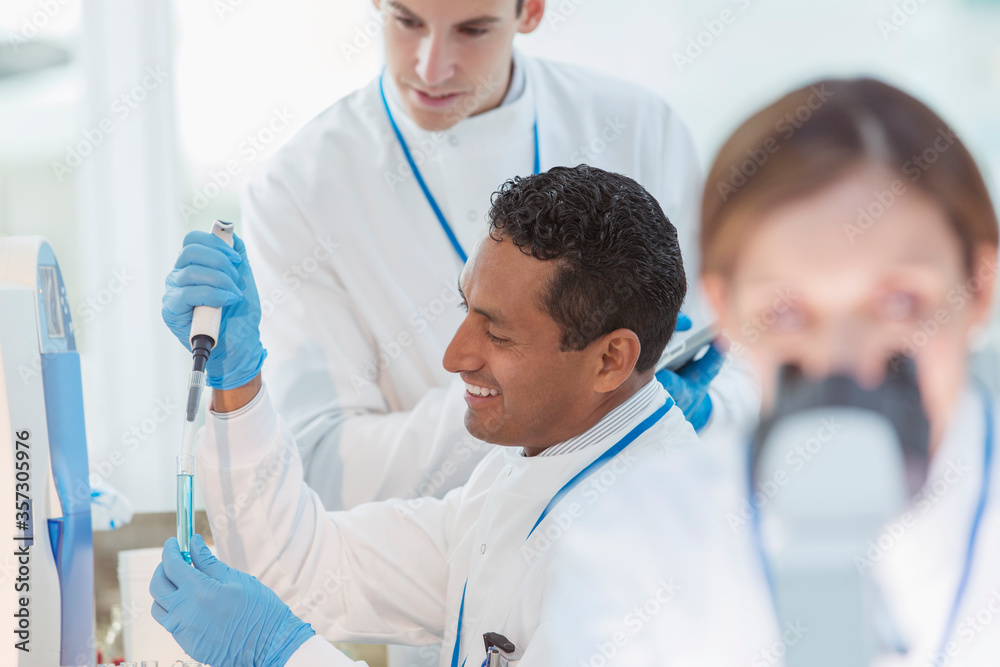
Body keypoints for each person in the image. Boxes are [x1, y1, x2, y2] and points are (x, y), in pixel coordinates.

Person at [154, 165, 724, 667]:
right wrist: (237, 380)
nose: (455, 357)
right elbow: (305, 572)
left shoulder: (646, 549)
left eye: (498, 332)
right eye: (465, 308)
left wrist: (283, 654)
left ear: (610, 359)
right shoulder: (522, 475)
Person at [538, 78, 1000, 666]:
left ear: (980, 288)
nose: (841, 361)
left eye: (899, 302)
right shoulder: (635, 544)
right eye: (785, 311)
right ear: (725, 311)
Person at [242, 0, 754, 518]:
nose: (430, 67)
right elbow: (327, 468)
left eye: (472, 30)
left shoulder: (640, 125)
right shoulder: (298, 187)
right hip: (426, 566)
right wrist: (573, 394)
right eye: (407, 21)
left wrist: (709, 412)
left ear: (530, 10)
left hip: (636, 532)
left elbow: (733, 356)